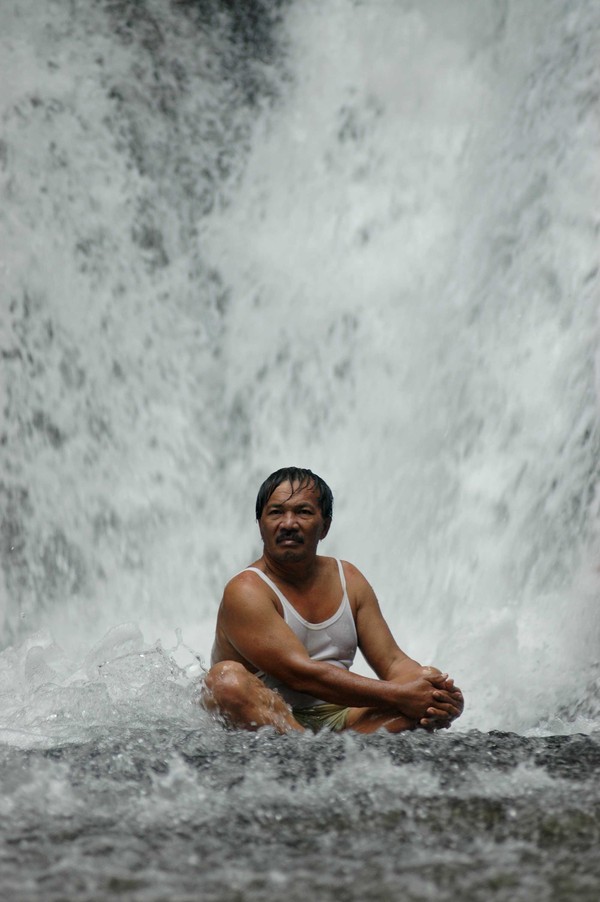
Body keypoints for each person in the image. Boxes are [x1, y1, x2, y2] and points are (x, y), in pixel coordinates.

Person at [203, 467, 464, 734]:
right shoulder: (246, 590)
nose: (288, 523)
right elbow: (301, 675)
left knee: (426, 678)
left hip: (342, 718)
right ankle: (309, 754)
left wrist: (438, 696)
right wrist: (400, 694)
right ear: (260, 524)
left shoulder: (348, 579)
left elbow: (393, 662)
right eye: (276, 512)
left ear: (325, 526)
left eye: (303, 512)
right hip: (266, 714)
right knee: (225, 680)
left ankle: (325, 753)